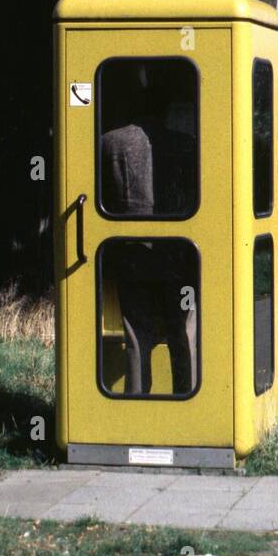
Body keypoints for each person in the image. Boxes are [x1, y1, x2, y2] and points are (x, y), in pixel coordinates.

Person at [98, 62, 198, 395]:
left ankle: (137, 401)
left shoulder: (109, 143)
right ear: (166, 109)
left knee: (137, 336)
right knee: (182, 334)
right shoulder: (185, 144)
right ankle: (187, 396)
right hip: (178, 255)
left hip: (130, 254)